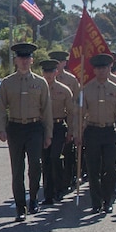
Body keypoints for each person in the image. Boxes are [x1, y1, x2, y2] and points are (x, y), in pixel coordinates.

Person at [0, 42, 51, 221]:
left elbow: (46, 109)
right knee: (17, 170)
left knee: (35, 166)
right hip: (16, 128)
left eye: (27, 58)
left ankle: (33, 199)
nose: (24, 61)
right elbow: (1, 108)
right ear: (16, 60)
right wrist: (2, 129)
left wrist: (48, 134)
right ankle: (20, 207)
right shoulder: (7, 83)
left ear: (32, 60)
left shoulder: (40, 83)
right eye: (21, 58)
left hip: (34, 128)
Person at [75, 53, 116, 215]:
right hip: (92, 131)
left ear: (109, 68)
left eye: (104, 68)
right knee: (93, 169)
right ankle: (96, 202)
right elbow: (79, 114)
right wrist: (77, 133)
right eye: (98, 68)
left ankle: (108, 200)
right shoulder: (86, 90)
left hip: (109, 131)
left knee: (111, 168)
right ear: (94, 69)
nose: (101, 71)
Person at [39, 57, 74, 204]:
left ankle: (59, 189)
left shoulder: (64, 90)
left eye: (51, 71)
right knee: (45, 160)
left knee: (55, 157)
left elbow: (71, 112)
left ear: (56, 72)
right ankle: (48, 194)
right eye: (46, 72)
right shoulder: (37, 88)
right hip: (42, 127)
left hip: (59, 127)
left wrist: (71, 131)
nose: (48, 75)